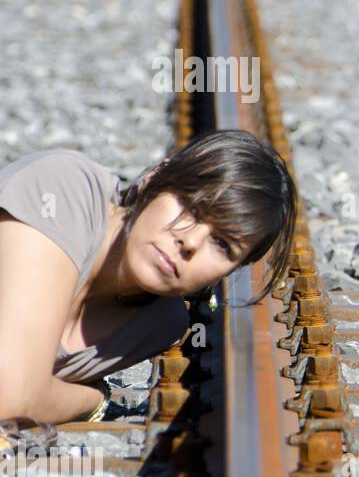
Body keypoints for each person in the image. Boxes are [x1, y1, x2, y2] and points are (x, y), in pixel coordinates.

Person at [0, 130, 298, 439]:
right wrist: (92, 400)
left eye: (222, 244)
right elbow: (9, 397)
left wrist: (33, 393)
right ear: (154, 178)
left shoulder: (159, 325)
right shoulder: (64, 189)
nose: (190, 242)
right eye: (192, 207)